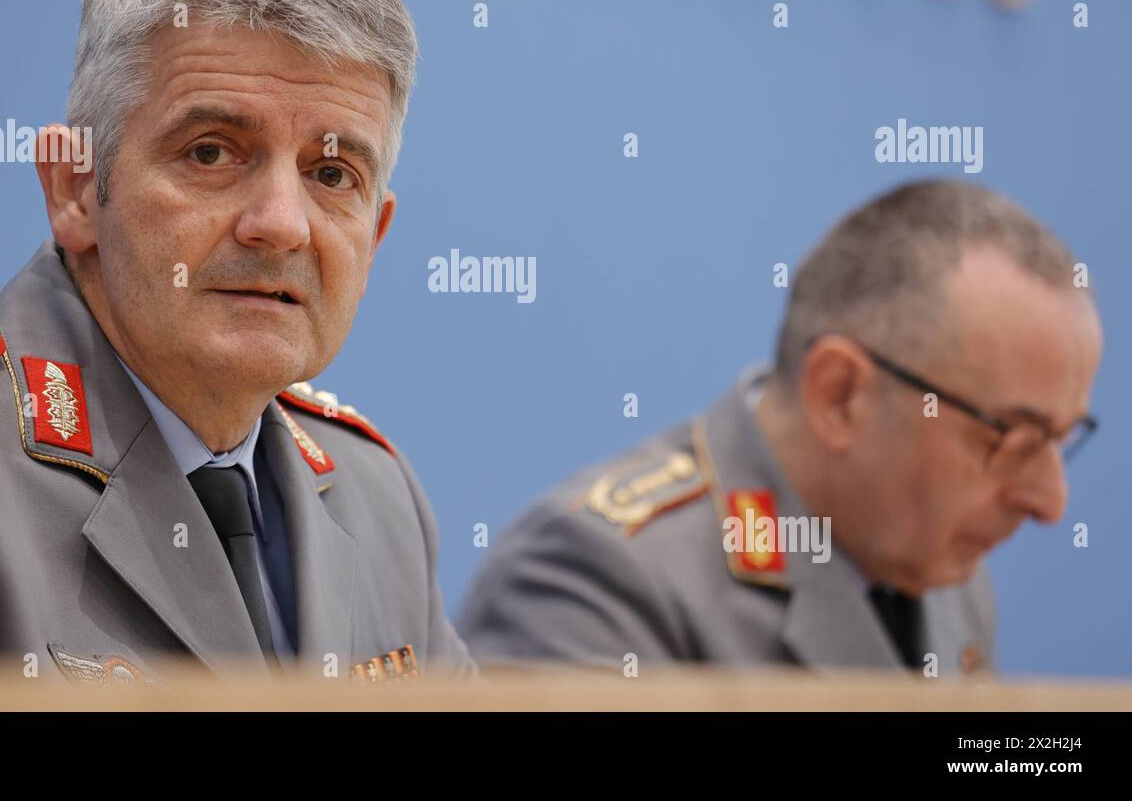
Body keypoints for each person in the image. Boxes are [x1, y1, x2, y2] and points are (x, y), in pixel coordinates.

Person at [0, 0, 472, 686]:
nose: (280, 224)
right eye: (211, 152)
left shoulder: (376, 494)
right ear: (75, 188)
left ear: (375, 236)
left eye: (332, 175)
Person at [458, 180, 1102, 676]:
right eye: (1011, 438)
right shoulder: (599, 579)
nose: (1050, 502)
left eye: (1062, 441)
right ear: (840, 395)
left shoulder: (943, 566)